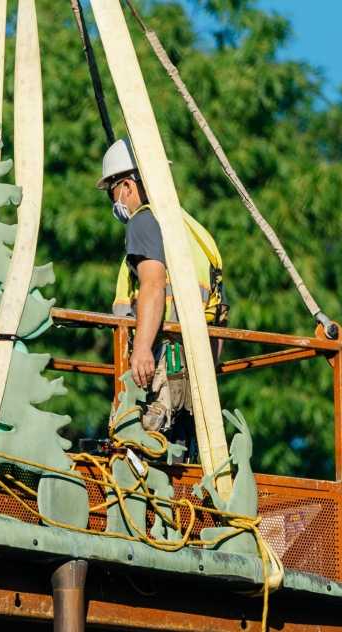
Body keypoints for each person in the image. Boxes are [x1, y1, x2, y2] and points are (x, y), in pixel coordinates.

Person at [98, 139, 229, 455]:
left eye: (111, 192)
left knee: (136, 450)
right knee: (179, 458)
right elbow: (220, 315)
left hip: (159, 361)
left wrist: (142, 347)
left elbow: (153, 285)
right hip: (194, 370)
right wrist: (206, 379)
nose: (114, 201)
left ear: (127, 185)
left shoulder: (144, 220)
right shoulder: (196, 231)